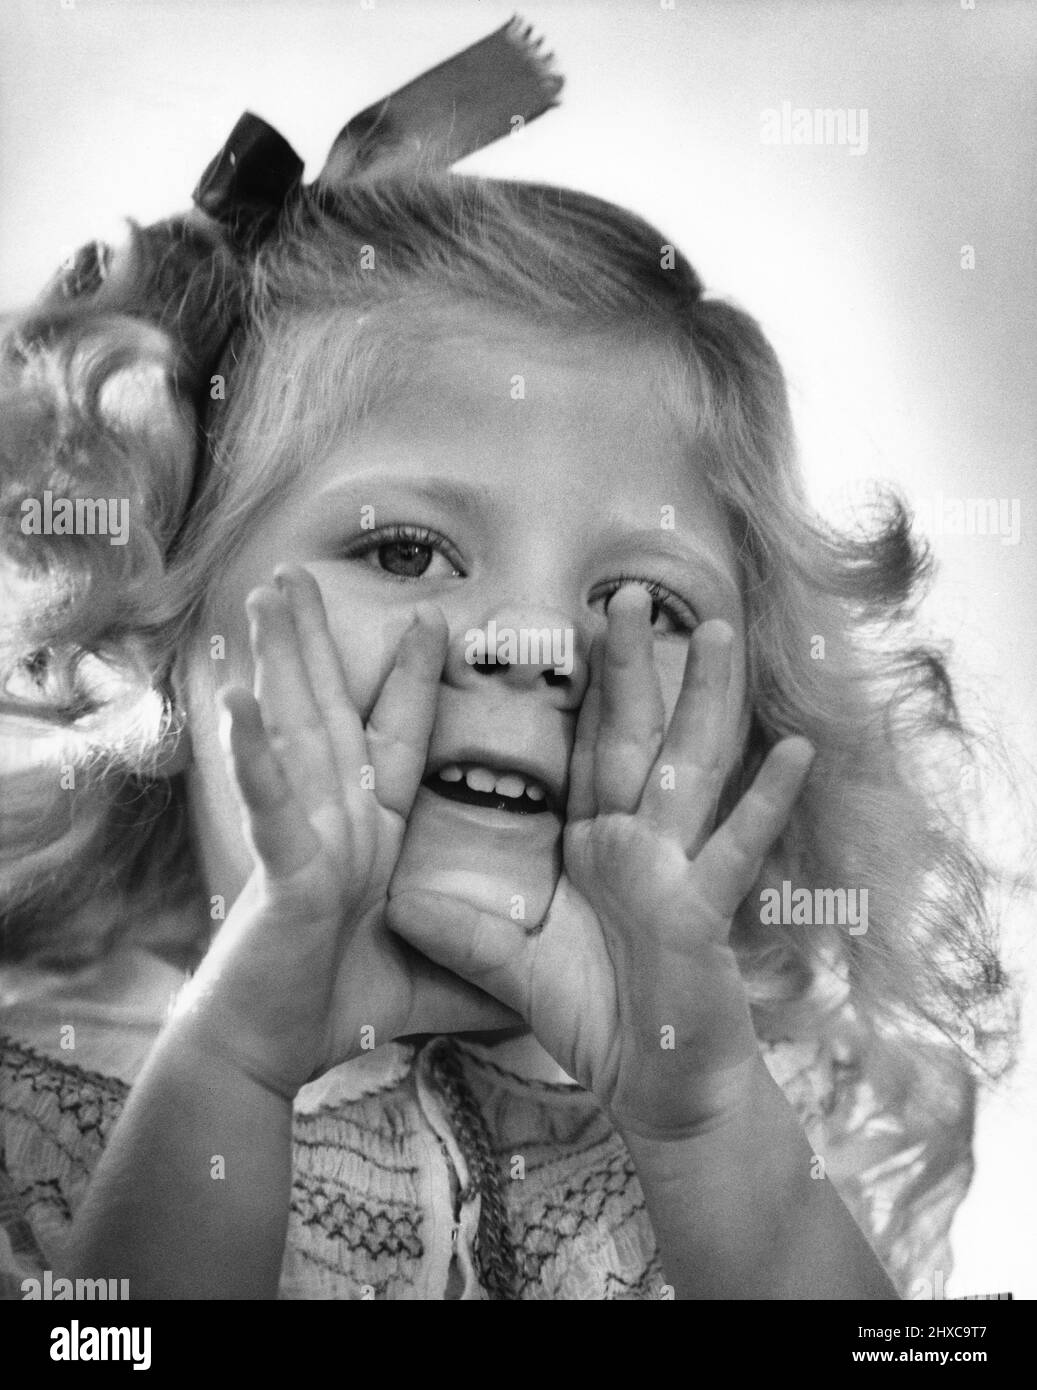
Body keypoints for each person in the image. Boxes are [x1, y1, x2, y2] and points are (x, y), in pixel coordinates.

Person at [0, 35, 1011, 1301]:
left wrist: (706, 1123)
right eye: (407, 549)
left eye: (641, 598)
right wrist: (229, 1069)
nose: (537, 645)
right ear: (163, 607)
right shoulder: (34, 1110)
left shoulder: (756, 1084)